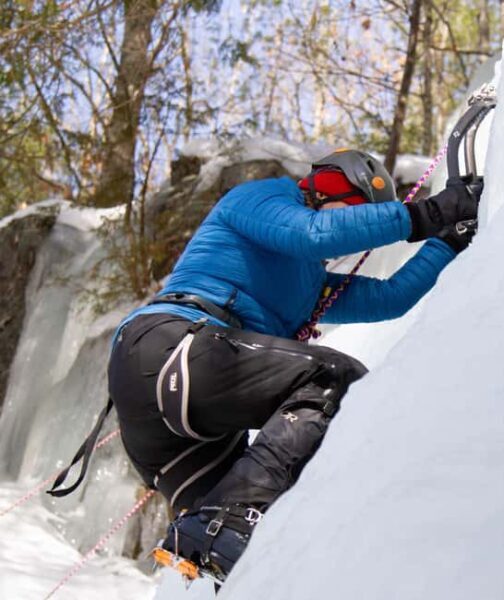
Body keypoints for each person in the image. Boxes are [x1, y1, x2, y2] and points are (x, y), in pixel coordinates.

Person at [106, 149, 480, 580]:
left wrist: (450, 238)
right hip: (170, 344)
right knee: (335, 378)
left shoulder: (309, 281)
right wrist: (431, 213)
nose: (357, 236)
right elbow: (314, 233)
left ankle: (219, 533)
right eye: (359, 214)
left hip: (168, 414)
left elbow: (391, 297)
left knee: (249, 541)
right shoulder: (262, 199)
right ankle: (228, 516)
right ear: (334, 188)